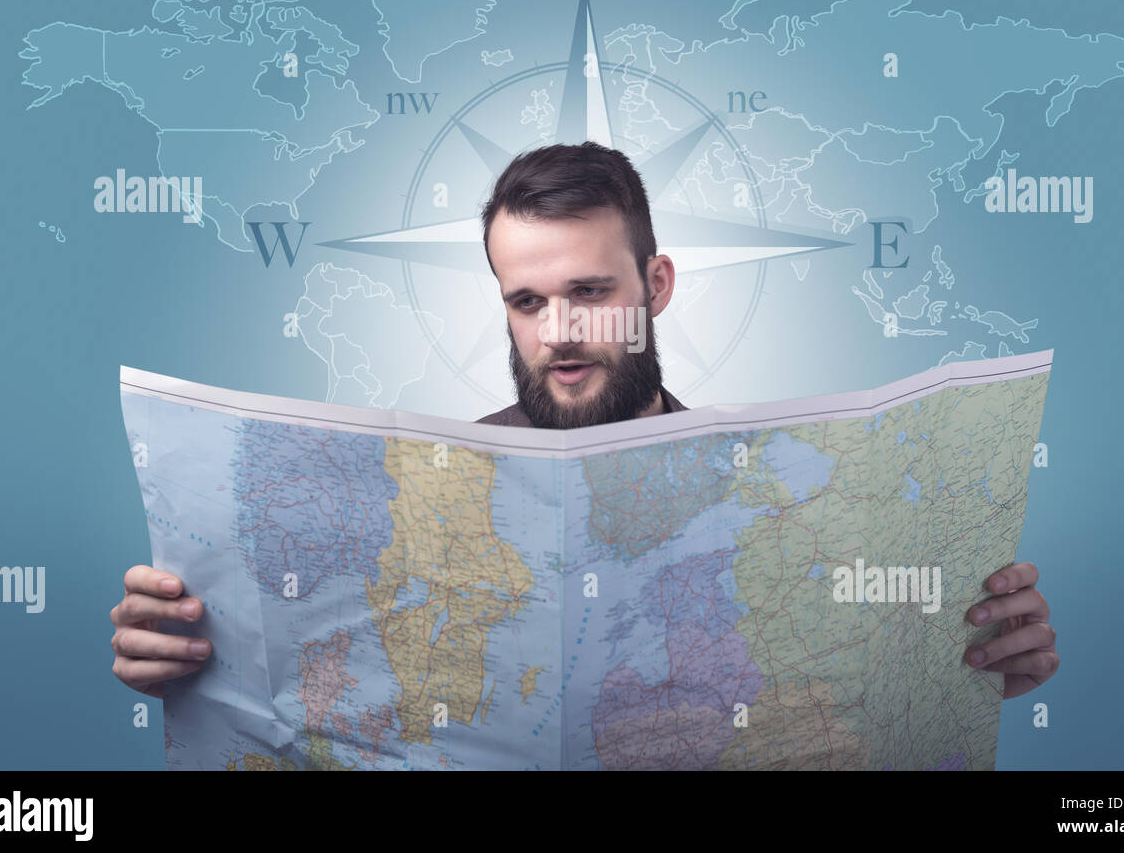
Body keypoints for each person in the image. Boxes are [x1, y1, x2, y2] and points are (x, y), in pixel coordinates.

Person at [112, 141, 1058, 705]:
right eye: (525, 301)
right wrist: (197, 659)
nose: (557, 333)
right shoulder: (412, 500)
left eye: (589, 292)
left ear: (655, 289)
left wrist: (968, 668)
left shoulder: (786, 493)